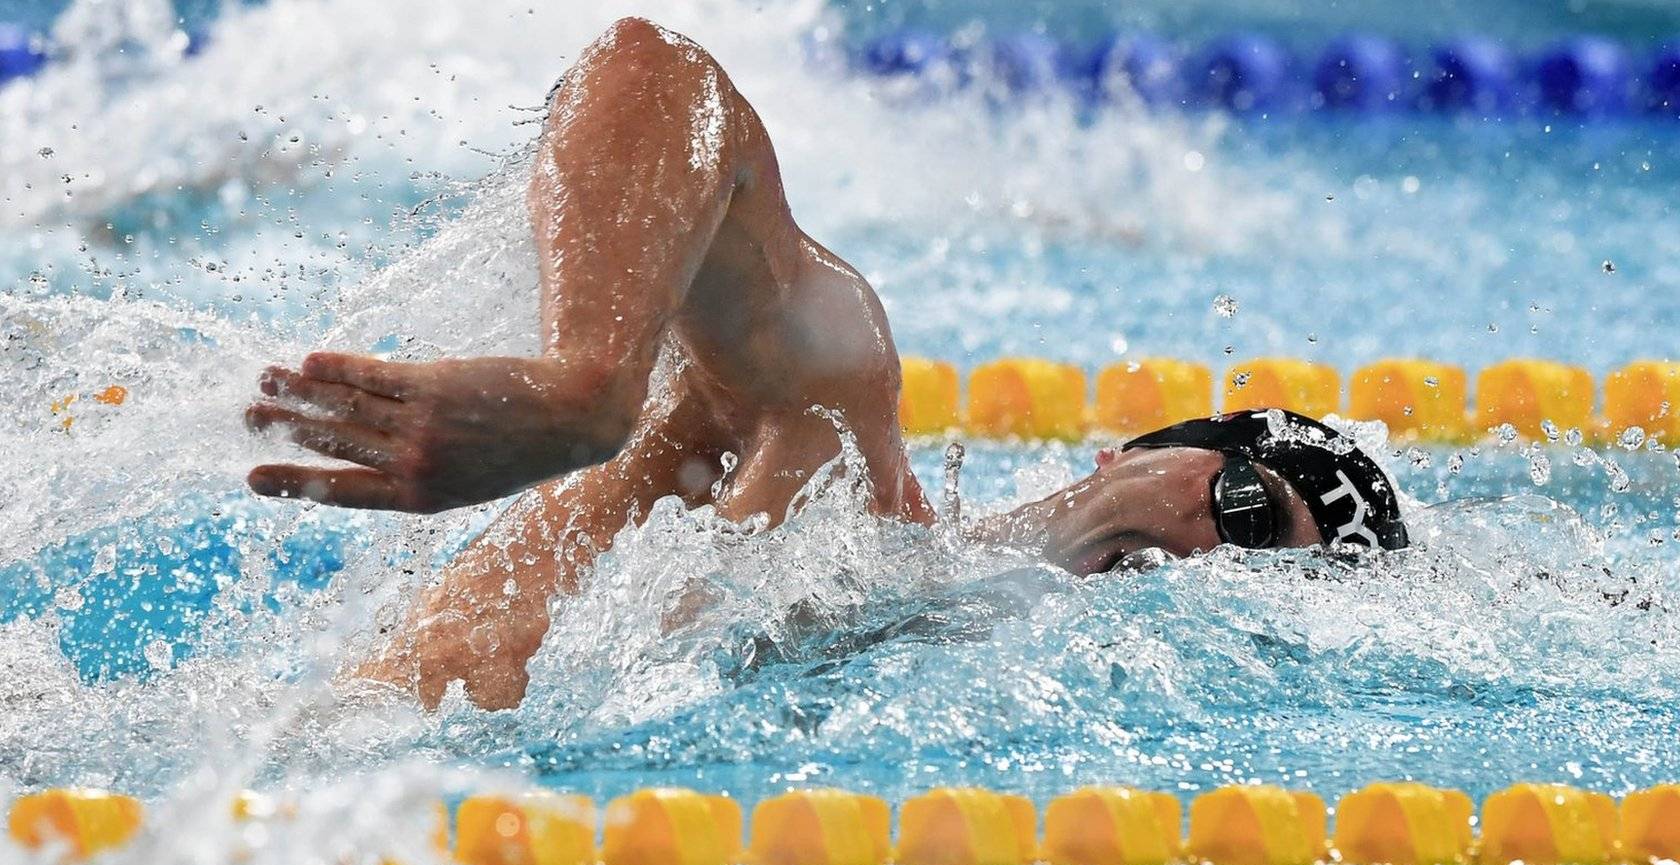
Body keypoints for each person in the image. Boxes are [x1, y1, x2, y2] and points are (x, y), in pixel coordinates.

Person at [244, 18, 1407, 711]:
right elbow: (658, 72)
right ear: (1142, 451)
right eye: (1251, 513)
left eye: (1272, 586)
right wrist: (590, 386)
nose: (1219, 566)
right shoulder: (836, 434)